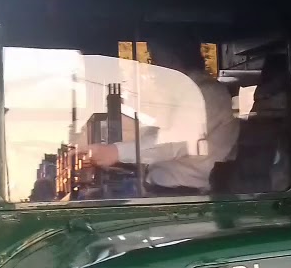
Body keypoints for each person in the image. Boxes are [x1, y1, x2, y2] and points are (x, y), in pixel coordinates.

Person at [88, 37, 239, 194]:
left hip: (188, 197)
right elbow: (158, 134)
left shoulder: (206, 94)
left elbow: (173, 142)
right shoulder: (184, 92)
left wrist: (116, 152)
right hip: (166, 191)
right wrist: (119, 145)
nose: (153, 69)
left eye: (155, 61)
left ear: (173, 61)